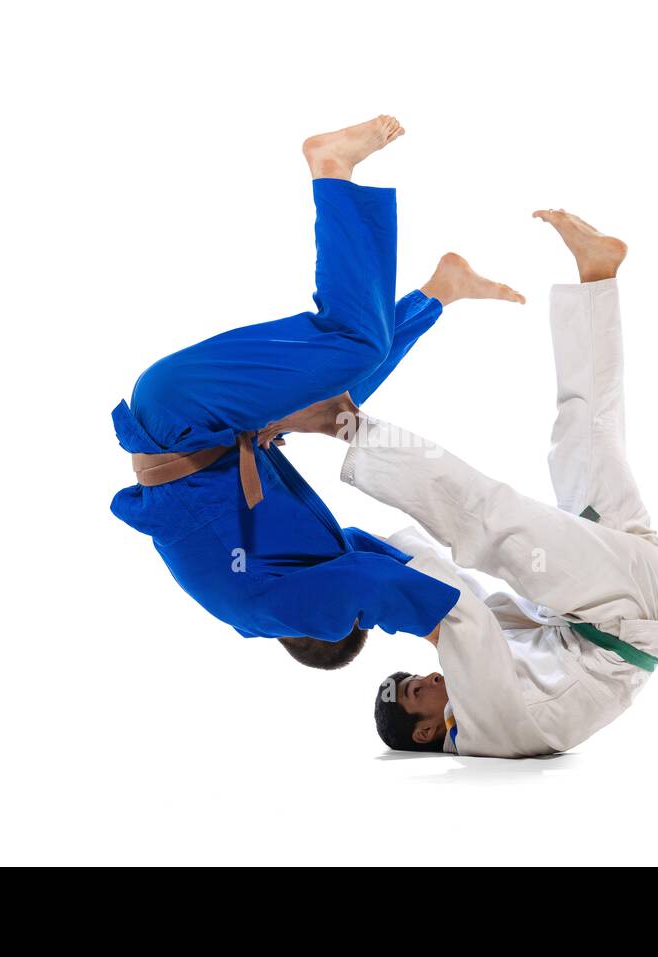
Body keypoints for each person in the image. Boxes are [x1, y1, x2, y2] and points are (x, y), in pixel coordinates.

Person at [271, 208, 658, 755]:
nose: (432, 679)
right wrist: (327, 595)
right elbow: (460, 614)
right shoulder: (484, 728)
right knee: (491, 525)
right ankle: (343, 422)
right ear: (428, 730)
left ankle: (598, 276)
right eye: (416, 693)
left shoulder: (486, 694)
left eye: (418, 678)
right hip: (622, 612)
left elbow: (454, 585)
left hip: (620, 597)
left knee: (585, 438)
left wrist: (339, 555)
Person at [109, 115, 524, 669]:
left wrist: (453, 642)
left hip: (183, 417)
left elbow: (372, 584)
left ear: (329, 624)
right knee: (343, 406)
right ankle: (440, 291)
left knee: (352, 342)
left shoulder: (282, 609)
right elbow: (365, 553)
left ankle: (330, 167)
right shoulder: (276, 585)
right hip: (202, 424)